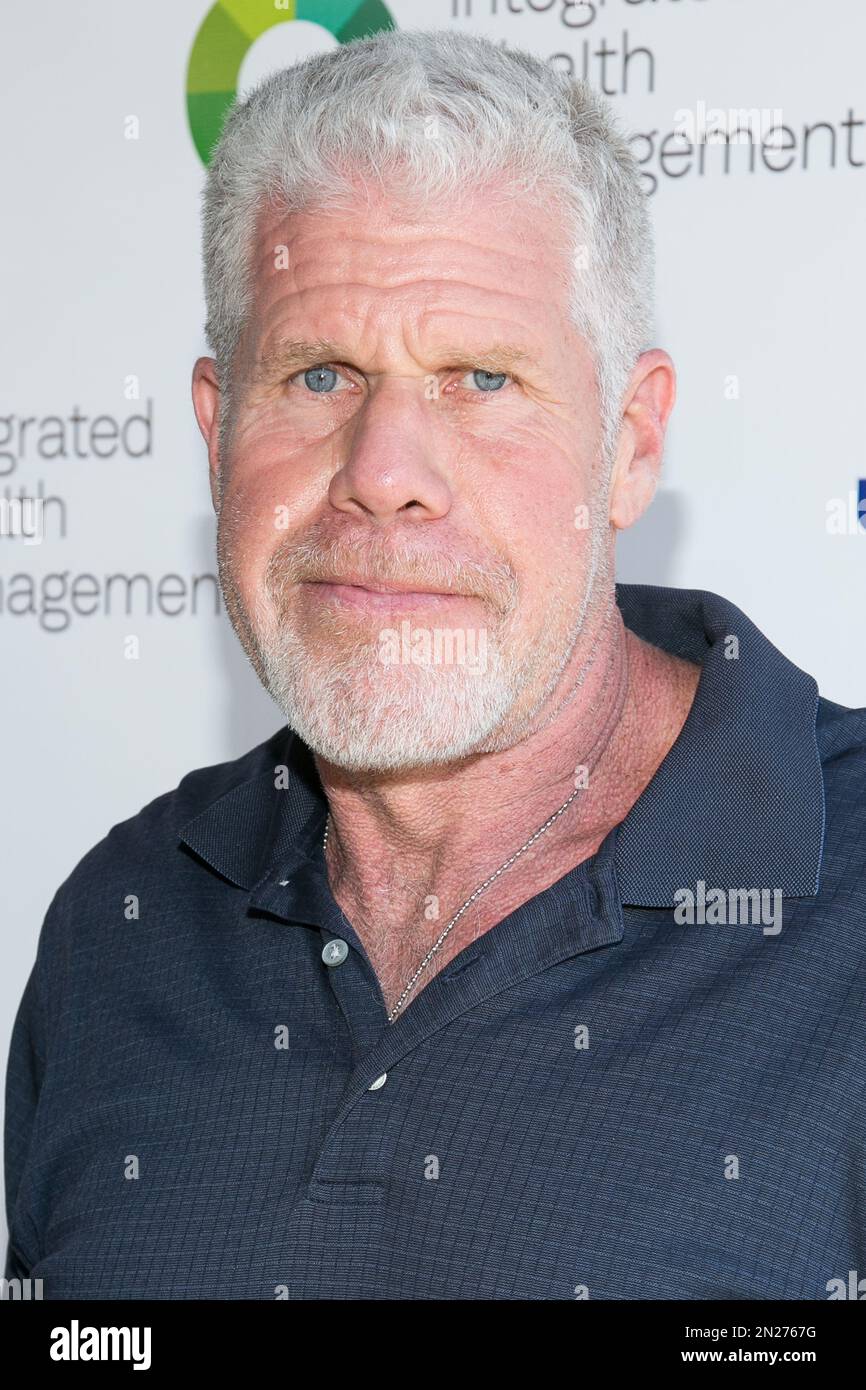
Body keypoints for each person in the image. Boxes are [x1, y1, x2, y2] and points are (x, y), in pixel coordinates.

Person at [5, 29, 865, 1301]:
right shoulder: (120, 927)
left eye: (479, 378)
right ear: (215, 428)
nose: (383, 472)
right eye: (317, 374)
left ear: (628, 443)